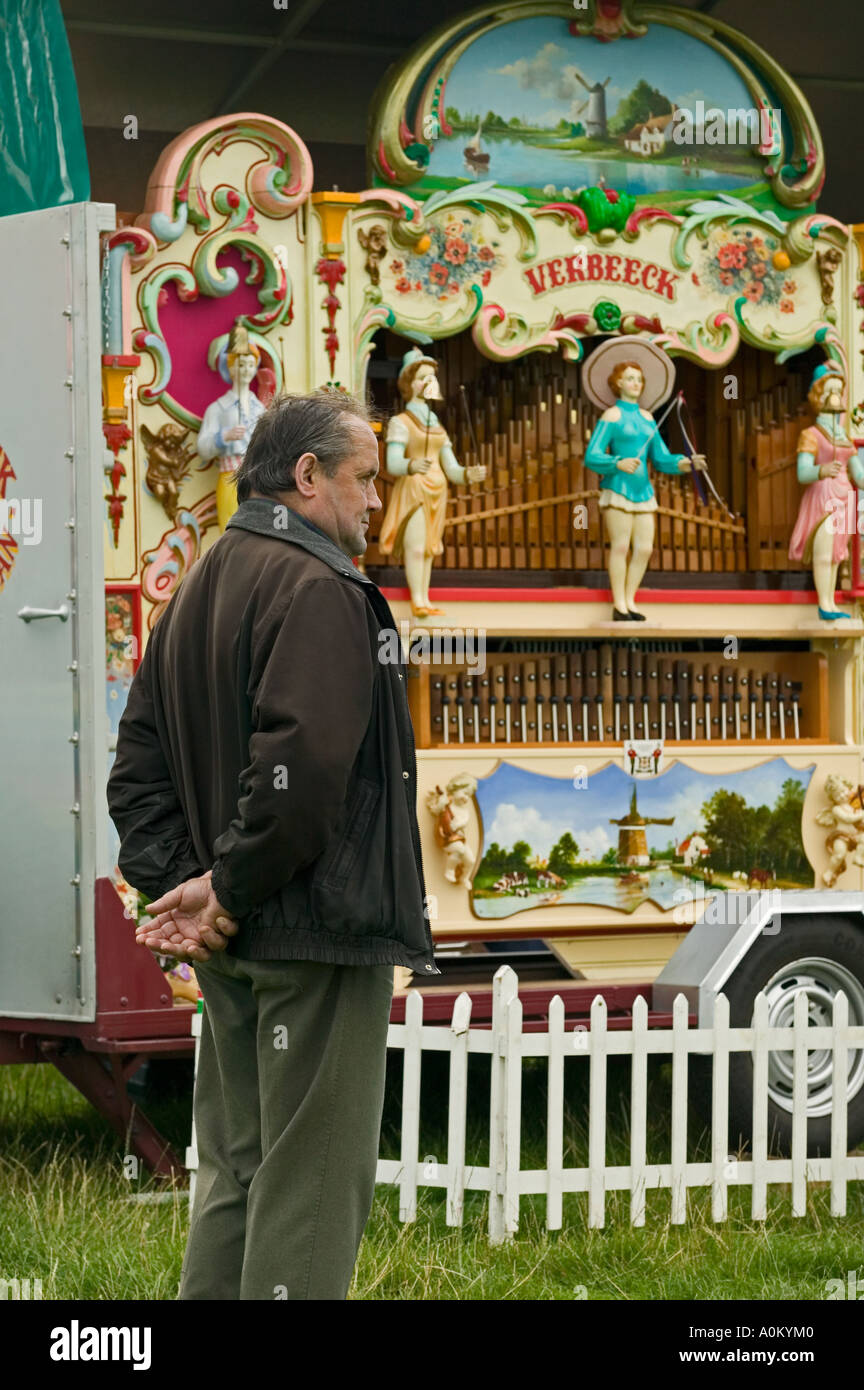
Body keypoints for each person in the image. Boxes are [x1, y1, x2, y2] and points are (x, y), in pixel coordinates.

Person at [107, 389, 440, 1301]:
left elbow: (134, 771)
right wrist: (222, 891)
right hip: (313, 934)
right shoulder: (325, 589)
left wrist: (191, 888)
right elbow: (302, 774)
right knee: (313, 1183)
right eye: (365, 479)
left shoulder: (196, 589)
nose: (378, 499)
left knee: (233, 1172)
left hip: (239, 942)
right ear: (307, 477)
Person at [583, 337, 706, 620]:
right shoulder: (611, 416)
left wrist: (687, 463)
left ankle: (630, 599)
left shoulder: (649, 418)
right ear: (618, 383)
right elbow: (592, 455)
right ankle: (618, 605)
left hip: (643, 491)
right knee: (621, 546)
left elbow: (661, 458)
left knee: (644, 548)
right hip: (618, 489)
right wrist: (617, 462)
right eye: (630, 378)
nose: (636, 383)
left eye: (639, 379)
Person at [378, 347, 485, 617]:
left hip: (439, 489)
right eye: (422, 377)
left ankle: (424, 597)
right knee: (415, 545)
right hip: (415, 488)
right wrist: (411, 464)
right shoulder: (401, 421)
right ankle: (416, 599)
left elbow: (450, 466)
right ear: (409, 383)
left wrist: (467, 474)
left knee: (429, 548)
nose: (428, 383)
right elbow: (392, 463)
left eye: (431, 378)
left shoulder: (436, 423)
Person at [788, 362, 864, 620]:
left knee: (836, 553)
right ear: (819, 395)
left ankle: (831, 602)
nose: (835, 397)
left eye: (838, 391)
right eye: (830, 390)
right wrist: (822, 470)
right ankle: (823, 603)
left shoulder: (843, 436)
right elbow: (802, 473)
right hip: (824, 494)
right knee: (824, 549)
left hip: (844, 495)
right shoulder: (811, 434)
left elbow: (859, 474)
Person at [197, 322, 266, 532]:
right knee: (231, 529)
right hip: (229, 477)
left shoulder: (259, 409)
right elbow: (203, 447)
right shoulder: (218, 408)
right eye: (240, 364)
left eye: (249, 364)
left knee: (258, 531)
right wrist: (223, 437)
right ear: (230, 367)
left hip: (256, 478)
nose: (245, 370)